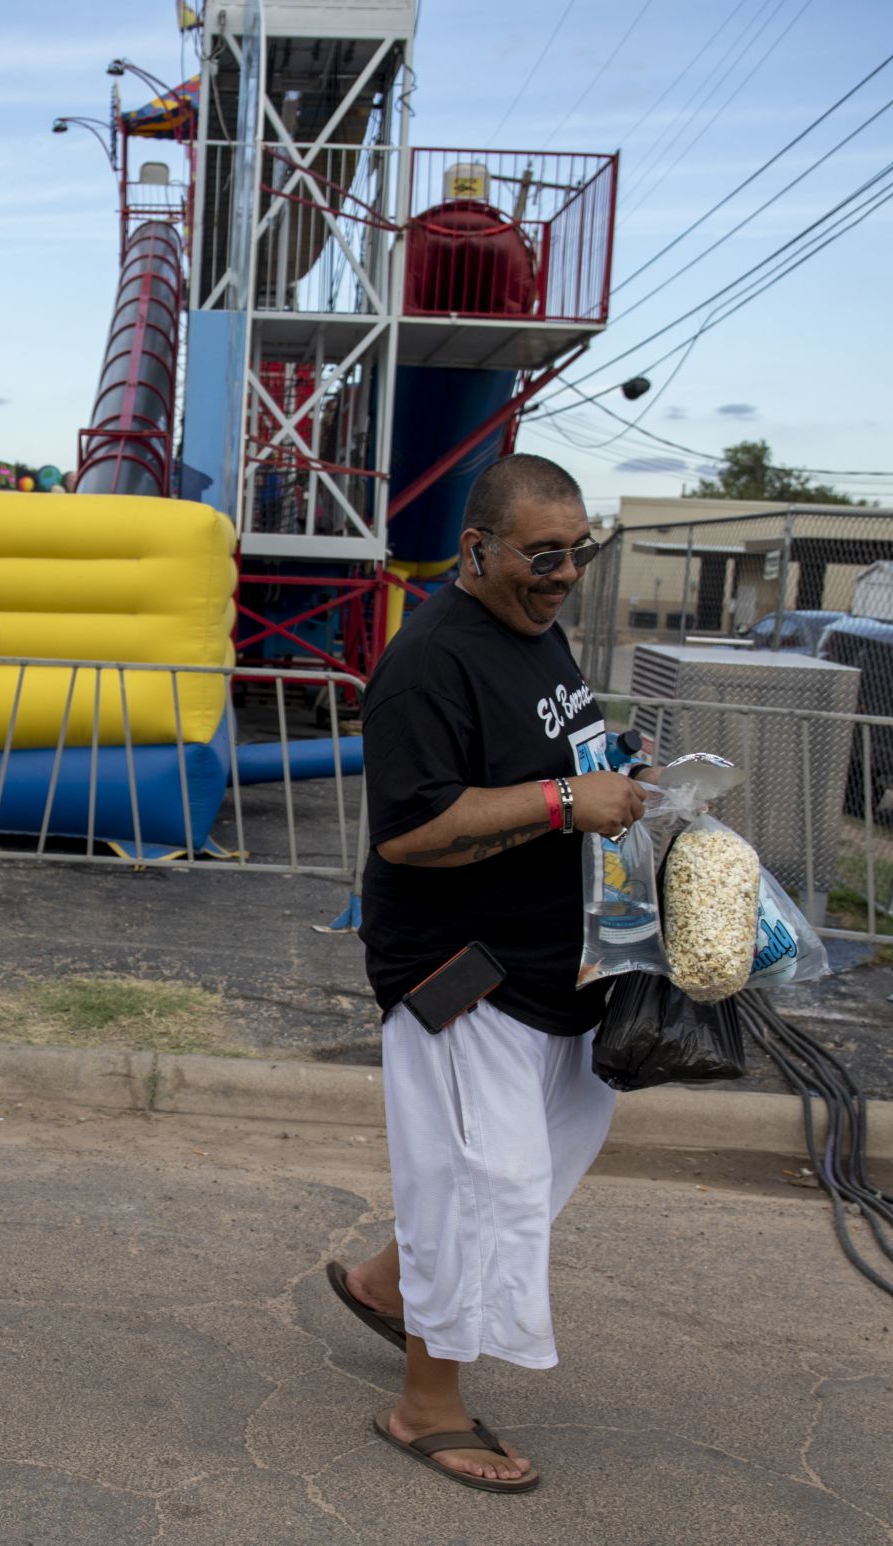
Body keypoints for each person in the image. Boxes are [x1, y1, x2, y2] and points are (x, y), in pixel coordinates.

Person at [327, 455, 651, 1495]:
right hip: (459, 969)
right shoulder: (426, 663)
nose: (563, 573)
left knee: (548, 1153)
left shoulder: (536, 632)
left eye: (577, 550)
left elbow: (558, 755)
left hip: (556, 964)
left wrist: (623, 787)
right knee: (481, 1180)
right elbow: (412, 833)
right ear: (474, 550)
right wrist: (564, 802)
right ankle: (424, 1400)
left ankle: (387, 1283)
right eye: (540, 553)